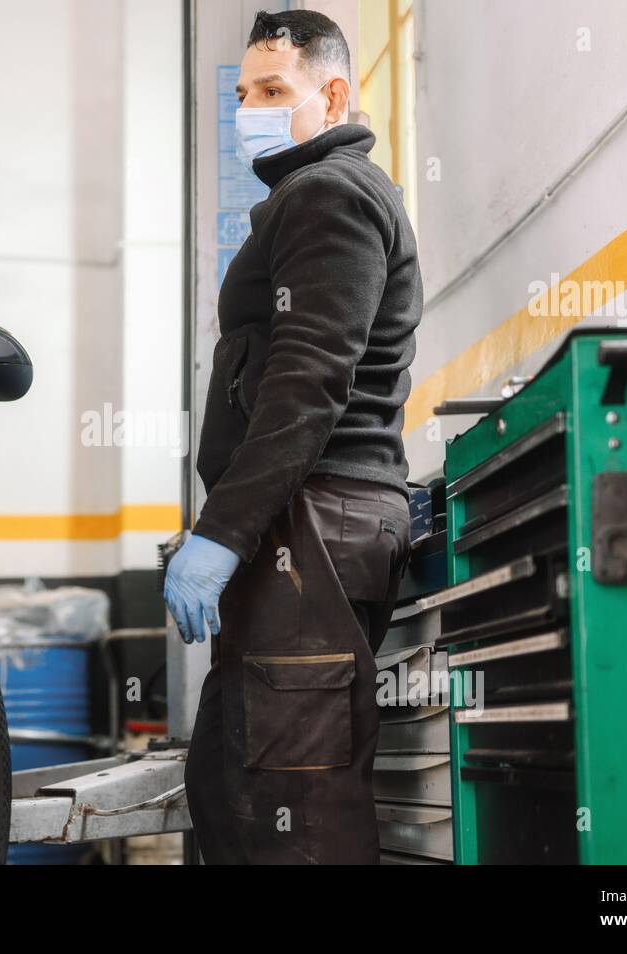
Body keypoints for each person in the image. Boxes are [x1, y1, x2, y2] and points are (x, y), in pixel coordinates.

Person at [163, 8, 423, 864]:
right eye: (242, 94)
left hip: (312, 523)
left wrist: (222, 532)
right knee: (246, 789)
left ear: (334, 93)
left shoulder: (329, 196)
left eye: (274, 90)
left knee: (293, 808)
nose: (251, 110)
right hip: (304, 528)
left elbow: (308, 382)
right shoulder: (307, 198)